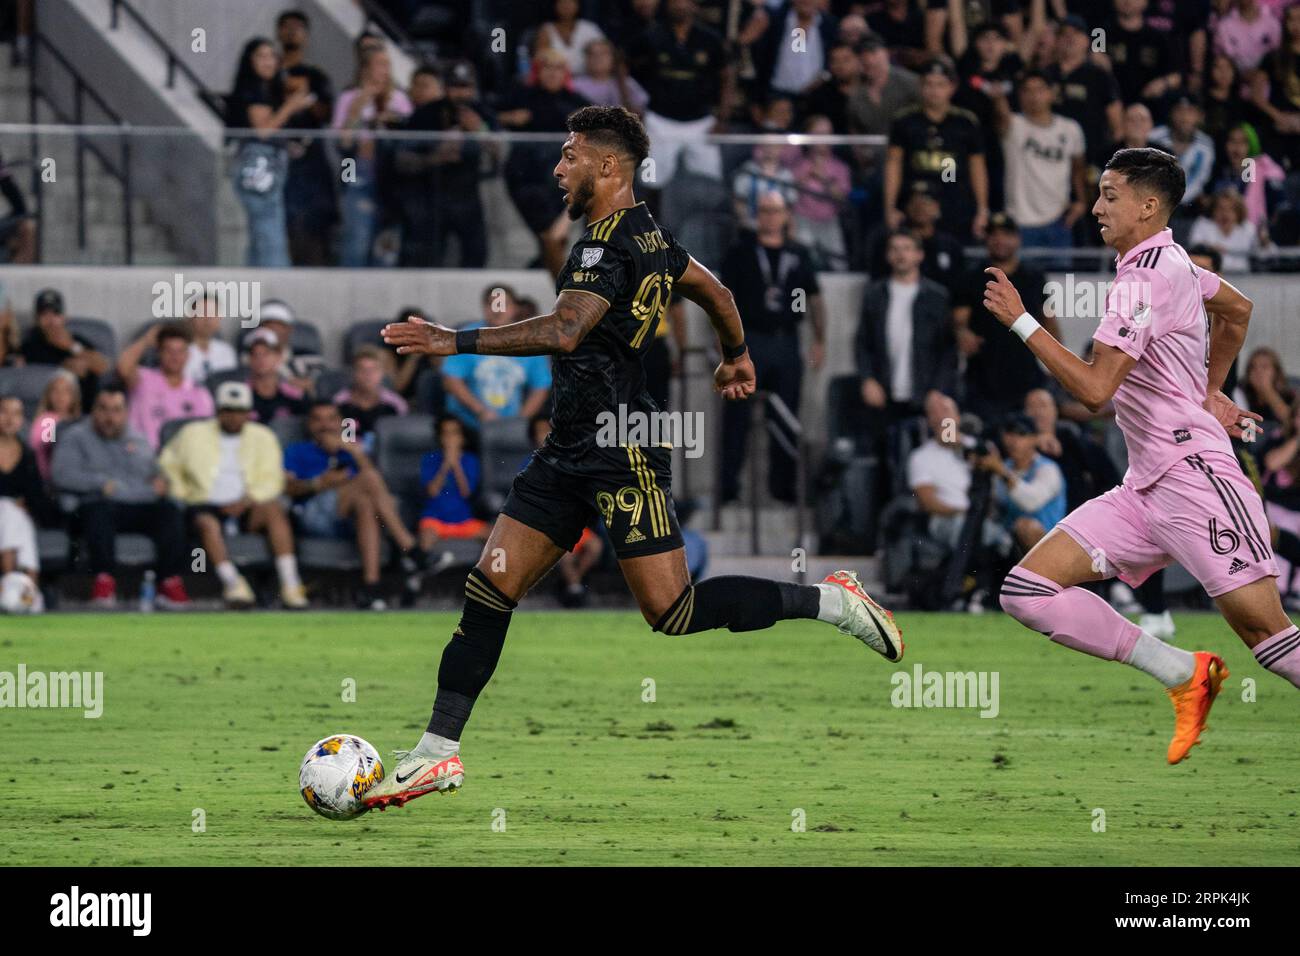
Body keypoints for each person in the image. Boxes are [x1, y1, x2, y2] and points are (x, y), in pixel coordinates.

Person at [372, 105, 903, 808]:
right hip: (568, 447)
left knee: (673, 611)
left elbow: (566, 331)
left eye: (569, 156)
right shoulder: (649, 234)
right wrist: (735, 356)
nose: (559, 168)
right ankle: (438, 753)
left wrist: (453, 340)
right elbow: (715, 290)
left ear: (608, 166)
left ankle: (832, 602)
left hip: (624, 447)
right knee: (490, 586)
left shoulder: (606, 245)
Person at [985, 146, 1299, 766]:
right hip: (1145, 486)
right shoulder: (1174, 261)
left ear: (1148, 205)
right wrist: (1208, 392)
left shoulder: (1142, 279)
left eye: (1109, 195)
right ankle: (1185, 673)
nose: (1097, 207)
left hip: (1196, 477)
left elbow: (1096, 391)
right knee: (1027, 590)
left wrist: (1023, 322)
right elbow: (1236, 310)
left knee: (1266, 632)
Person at [159, 381, 307, 609]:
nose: (234, 417)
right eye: (228, 410)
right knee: (207, 523)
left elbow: (273, 479)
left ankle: (290, 583)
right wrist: (185, 494)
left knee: (274, 510)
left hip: (248, 503)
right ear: (218, 411)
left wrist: (248, 499)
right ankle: (234, 583)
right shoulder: (192, 433)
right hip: (205, 503)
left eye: (239, 411)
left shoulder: (263, 436)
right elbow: (168, 465)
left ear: (249, 413)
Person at [719, 190, 826, 504]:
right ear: (757, 214)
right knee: (736, 417)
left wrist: (819, 339)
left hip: (786, 340)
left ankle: (783, 488)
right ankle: (728, 487)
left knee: (785, 416)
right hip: (749, 341)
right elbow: (724, 302)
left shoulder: (799, 253)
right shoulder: (740, 251)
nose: (769, 216)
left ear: (786, 215)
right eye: (764, 210)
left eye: (775, 211)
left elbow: (816, 298)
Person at [51, 385, 191, 609]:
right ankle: (104, 582)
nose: (110, 417)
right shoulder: (74, 436)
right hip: (96, 506)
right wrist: (98, 483)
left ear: (126, 413)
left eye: (116, 410)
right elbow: (61, 475)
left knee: (169, 511)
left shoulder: (138, 438)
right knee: (97, 510)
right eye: (104, 409)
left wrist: (160, 481)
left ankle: (168, 582)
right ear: (94, 411)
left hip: (137, 504)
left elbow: (155, 477)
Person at [284, 400, 426, 610]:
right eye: (317, 419)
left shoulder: (349, 450)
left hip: (349, 515)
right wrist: (319, 483)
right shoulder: (297, 450)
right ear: (309, 424)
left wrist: (352, 450)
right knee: (367, 478)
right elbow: (288, 488)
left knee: (366, 504)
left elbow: (378, 485)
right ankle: (410, 548)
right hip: (314, 515)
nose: (325, 425)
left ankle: (371, 588)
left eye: (331, 419)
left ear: (341, 423)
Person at [856, 229, 957, 456]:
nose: (901, 255)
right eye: (895, 249)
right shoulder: (874, 294)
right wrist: (867, 379)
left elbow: (948, 350)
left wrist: (937, 390)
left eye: (907, 249)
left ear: (919, 255)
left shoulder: (937, 296)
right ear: (887, 255)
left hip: (925, 395)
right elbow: (863, 342)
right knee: (885, 460)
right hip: (885, 392)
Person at [953, 213, 1059, 422]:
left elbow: (1049, 319)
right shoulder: (970, 277)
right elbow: (959, 321)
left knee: (1031, 440)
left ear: (1018, 239)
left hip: (1027, 377)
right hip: (983, 380)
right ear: (986, 239)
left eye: (1006, 234)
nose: (999, 240)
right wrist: (962, 333)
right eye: (993, 234)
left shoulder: (1034, 277)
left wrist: (1057, 363)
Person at [500, 49, 591, 277]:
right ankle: (558, 272)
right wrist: (510, 118)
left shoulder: (576, 102)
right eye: (547, 68)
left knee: (554, 232)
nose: (552, 73)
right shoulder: (521, 95)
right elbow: (490, 114)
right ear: (538, 72)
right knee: (544, 227)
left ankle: (553, 269)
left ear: (565, 73)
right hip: (525, 173)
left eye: (558, 68)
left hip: (562, 176)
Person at [625, 0, 729, 192]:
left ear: (695, 5)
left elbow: (727, 76)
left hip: (701, 121)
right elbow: (622, 65)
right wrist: (629, 105)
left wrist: (723, 116)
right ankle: (651, 220)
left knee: (708, 180)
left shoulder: (710, 38)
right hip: (659, 120)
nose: (679, 5)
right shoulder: (651, 36)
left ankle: (703, 221)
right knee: (650, 179)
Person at [227, 37, 312, 268]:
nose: (268, 61)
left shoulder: (267, 89)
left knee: (265, 227)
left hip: (270, 158)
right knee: (267, 225)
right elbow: (263, 131)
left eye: (272, 56)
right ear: (250, 60)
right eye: (261, 56)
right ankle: (274, 280)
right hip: (259, 161)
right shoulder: (252, 90)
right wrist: (290, 106)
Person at [885, 59, 988, 241]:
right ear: (920, 86)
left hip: (955, 204)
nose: (934, 91)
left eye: (940, 85)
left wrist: (982, 209)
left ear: (952, 87)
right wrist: (890, 207)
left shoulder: (965, 122)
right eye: (929, 84)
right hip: (913, 205)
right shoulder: (905, 121)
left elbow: (977, 167)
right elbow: (894, 164)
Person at [989, 70, 1086, 256]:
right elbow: (1001, 117)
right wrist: (998, 98)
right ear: (1020, 96)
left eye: (1040, 90)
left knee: (1061, 284)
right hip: (1019, 222)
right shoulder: (1014, 125)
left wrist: (1081, 202)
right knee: (1021, 284)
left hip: (1059, 221)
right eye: (1027, 91)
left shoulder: (1070, 128)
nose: (1034, 96)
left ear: (1051, 93)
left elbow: (1078, 168)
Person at [333, 44, 412, 267]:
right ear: (365, 68)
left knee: (386, 242)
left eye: (387, 65)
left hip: (392, 176)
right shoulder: (349, 97)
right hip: (357, 172)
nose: (384, 70)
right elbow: (342, 142)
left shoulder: (400, 99)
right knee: (358, 238)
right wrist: (358, 106)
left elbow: (409, 136)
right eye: (379, 64)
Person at [440, 286, 551, 432]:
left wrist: (520, 421)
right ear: (484, 307)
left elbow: (541, 386)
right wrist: (481, 411)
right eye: (492, 304)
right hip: (466, 424)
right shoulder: (466, 336)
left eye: (504, 304)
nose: (498, 309)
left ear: (515, 308)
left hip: (512, 425)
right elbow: (451, 380)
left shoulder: (528, 341)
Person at [278, 10, 338, 267]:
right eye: (287, 27)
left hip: (311, 160)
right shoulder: (270, 73)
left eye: (298, 27)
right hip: (278, 155)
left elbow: (327, 114)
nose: (292, 31)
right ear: (278, 32)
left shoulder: (316, 76)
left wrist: (303, 93)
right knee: (282, 222)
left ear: (307, 36)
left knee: (315, 222)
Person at [117, 322, 216, 450]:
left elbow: (206, 435)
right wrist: (146, 341)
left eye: (180, 351)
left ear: (188, 355)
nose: (175, 357)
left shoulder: (200, 393)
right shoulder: (143, 378)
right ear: (159, 353)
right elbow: (122, 368)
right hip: (142, 454)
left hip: (181, 460)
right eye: (169, 351)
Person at [980, 412, 1068, 555]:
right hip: (1009, 543)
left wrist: (1001, 471)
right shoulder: (1004, 466)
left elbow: (1030, 502)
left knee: (1026, 527)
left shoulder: (1048, 469)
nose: (1014, 441)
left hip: (1049, 547)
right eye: (1009, 433)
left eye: (1022, 434)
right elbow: (995, 511)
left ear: (1034, 438)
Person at [20, 288, 109, 408]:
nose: (51, 320)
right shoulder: (29, 344)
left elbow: (104, 367)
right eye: (44, 314)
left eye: (55, 314)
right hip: (46, 411)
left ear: (64, 317)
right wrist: (65, 368)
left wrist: (71, 346)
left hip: (83, 414)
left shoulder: (76, 341)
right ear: (37, 319)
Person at [0, 394, 49, 607]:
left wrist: (26, 505)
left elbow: (35, 492)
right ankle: (30, 588)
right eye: (3, 412)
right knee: (10, 512)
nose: (9, 419)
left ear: (22, 420)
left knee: (16, 515)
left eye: (16, 413)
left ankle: (12, 588)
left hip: (13, 515)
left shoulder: (28, 455)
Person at [418, 415, 490, 552]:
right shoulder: (430, 459)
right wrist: (445, 465)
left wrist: (456, 465)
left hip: (463, 520)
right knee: (426, 538)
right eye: (446, 434)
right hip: (436, 520)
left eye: (454, 433)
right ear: (440, 438)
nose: (450, 438)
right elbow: (432, 491)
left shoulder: (470, 460)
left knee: (494, 536)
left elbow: (466, 492)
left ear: (462, 438)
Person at [333, 345, 408, 450]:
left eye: (373, 370)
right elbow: (335, 439)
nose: (368, 375)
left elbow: (400, 440)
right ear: (354, 373)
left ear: (382, 373)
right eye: (362, 369)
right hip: (348, 457)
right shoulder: (339, 402)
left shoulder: (396, 404)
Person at [1187, 188, 1263, 272]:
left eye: (1230, 209)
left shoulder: (1248, 228)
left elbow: (1260, 253)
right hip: (1211, 276)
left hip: (1243, 276)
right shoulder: (1202, 224)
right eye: (1221, 208)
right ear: (1213, 209)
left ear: (1238, 211)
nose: (1225, 213)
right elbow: (1195, 249)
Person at [244, 329, 308, 424]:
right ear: (249, 359)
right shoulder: (241, 393)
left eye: (266, 353)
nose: (260, 359)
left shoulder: (294, 394)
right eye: (255, 354)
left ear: (279, 356)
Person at [28, 368, 79, 484]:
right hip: (51, 480)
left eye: (66, 391)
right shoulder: (47, 421)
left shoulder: (79, 422)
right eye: (55, 391)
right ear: (48, 395)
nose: (60, 396)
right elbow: (46, 453)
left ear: (74, 396)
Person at [533, 0, 606, 77]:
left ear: (578, 4)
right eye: (562, 2)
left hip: (588, 80)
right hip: (556, 83)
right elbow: (540, 63)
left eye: (570, 2)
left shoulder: (590, 28)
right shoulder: (546, 31)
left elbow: (606, 56)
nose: (566, 5)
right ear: (555, 5)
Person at [183, 294, 238, 385]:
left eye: (212, 313)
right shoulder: (178, 352)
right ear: (190, 317)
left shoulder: (227, 351)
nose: (207, 319)